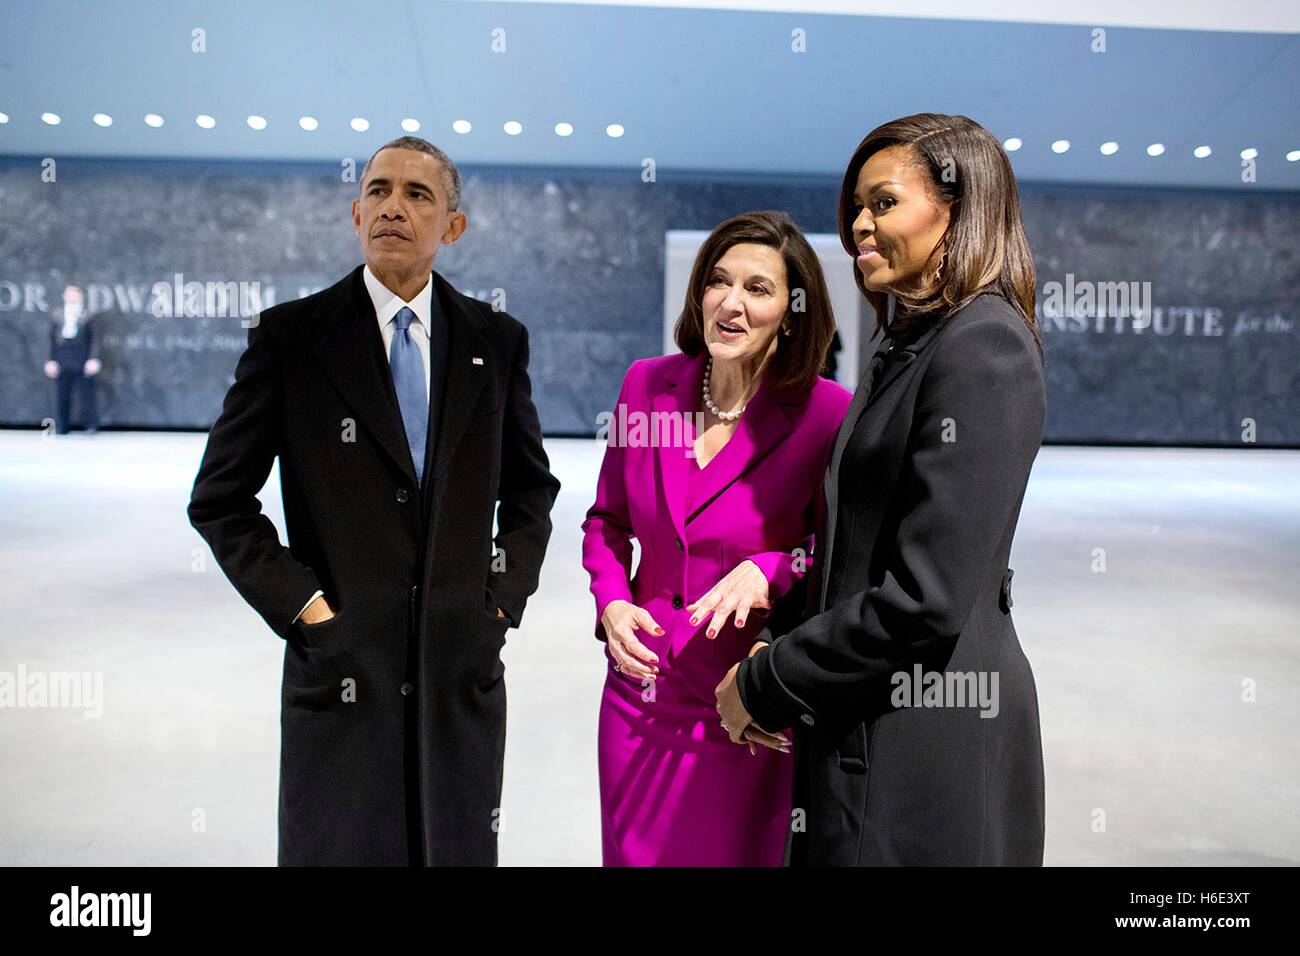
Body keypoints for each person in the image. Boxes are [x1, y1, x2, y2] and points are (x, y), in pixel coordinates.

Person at [188, 136, 561, 866]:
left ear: (453, 226)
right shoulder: (293, 338)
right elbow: (220, 499)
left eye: (418, 194)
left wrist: (499, 601)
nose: (395, 206)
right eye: (380, 191)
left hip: (458, 669)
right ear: (356, 213)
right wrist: (306, 608)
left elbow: (531, 488)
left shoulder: (497, 340)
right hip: (341, 667)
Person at [719, 113, 1048, 866]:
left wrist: (769, 679)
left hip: (922, 736)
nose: (860, 226)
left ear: (959, 209)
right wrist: (780, 639)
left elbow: (926, 598)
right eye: (856, 209)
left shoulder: (982, 347)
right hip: (868, 716)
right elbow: (852, 546)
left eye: (883, 203)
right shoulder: (908, 344)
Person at [583, 210, 852, 865]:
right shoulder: (647, 387)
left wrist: (773, 567)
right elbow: (606, 522)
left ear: (791, 311)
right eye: (719, 282)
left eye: (757, 289)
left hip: (744, 703)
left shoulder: (826, 414)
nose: (731, 303)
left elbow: (838, 552)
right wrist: (612, 602)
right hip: (638, 696)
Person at [44, 284, 102, 434]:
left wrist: (93, 359)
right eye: (69, 294)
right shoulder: (57, 314)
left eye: (75, 294)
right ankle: (62, 426)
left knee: (86, 394)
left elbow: (94, 339)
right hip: (62, 358)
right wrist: (51, 360)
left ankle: (90, 425)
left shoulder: (88, 315)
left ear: (80, 296)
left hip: (82, 358)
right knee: (62, 394)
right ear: (64, 296)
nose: (72, 297)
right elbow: (51, 339)